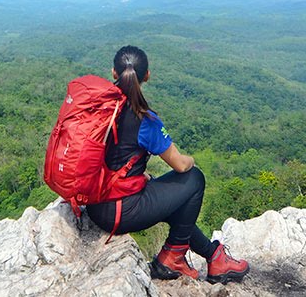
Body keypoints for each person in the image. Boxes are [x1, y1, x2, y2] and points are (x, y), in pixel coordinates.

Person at [85, 45, 250, 284]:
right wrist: (192, 160)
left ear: (113, 73)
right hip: (120, 211)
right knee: (194, 179)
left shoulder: (98, 107)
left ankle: (214, 256)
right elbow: (181, 166)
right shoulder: (144, 118)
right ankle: (172, 258)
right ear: (147, 75)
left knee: (173, 203)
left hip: (94, 204)